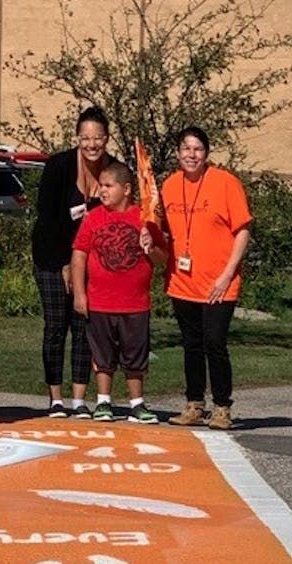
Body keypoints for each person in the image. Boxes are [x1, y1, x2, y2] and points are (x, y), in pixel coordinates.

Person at [160, 127, 252, 431]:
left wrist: (227, 275)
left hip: (218, 284)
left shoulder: (226, 183)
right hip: (183, 282)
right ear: (177, 153)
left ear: (207, 153)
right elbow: (164, 232)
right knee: (192, 345)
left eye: (197, 149)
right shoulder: (169, 186)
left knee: (215, 343)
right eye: (185, 148)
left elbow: (242, 231)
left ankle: (222, 407)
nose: (191, 154)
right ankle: (194, 404)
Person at [31, 105, 116, 419]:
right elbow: (48, 219)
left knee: (84, 327)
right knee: (56, 326)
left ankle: (80, 398)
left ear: (106, 139)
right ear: (77, 138)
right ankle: (55, 397)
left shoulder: (114, 171)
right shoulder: (59, 166)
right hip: (52, 257)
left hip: (93, 262)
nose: (92, 145)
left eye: (97, 138)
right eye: (85, 138)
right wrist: (66, 264)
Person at [70, 161, 167, 424]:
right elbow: (79, 256)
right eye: (100, 185)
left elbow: (162, 257)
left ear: (126, 189)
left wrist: (150, 246)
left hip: (135, 303)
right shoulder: (94, 219)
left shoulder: (143, 218)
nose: (102, 190)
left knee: (134, 354)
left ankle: (137, 403)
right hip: (100, 301)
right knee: (103, 355)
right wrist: (79, 293)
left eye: (108, 186)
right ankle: (104, 401)